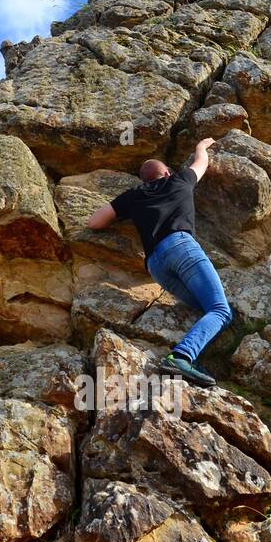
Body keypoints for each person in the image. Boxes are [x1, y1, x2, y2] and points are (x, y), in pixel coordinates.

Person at [84, 138, 233, 386]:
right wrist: (201, 146)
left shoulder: (132, 196)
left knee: (210, 309)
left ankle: (192, 359)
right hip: (181, 247)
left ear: (144, 179)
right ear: (166, 172)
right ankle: (182, 356)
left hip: (156, 265)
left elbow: (94, 222)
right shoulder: (179, 180)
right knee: (221, 310)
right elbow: (201, 162)